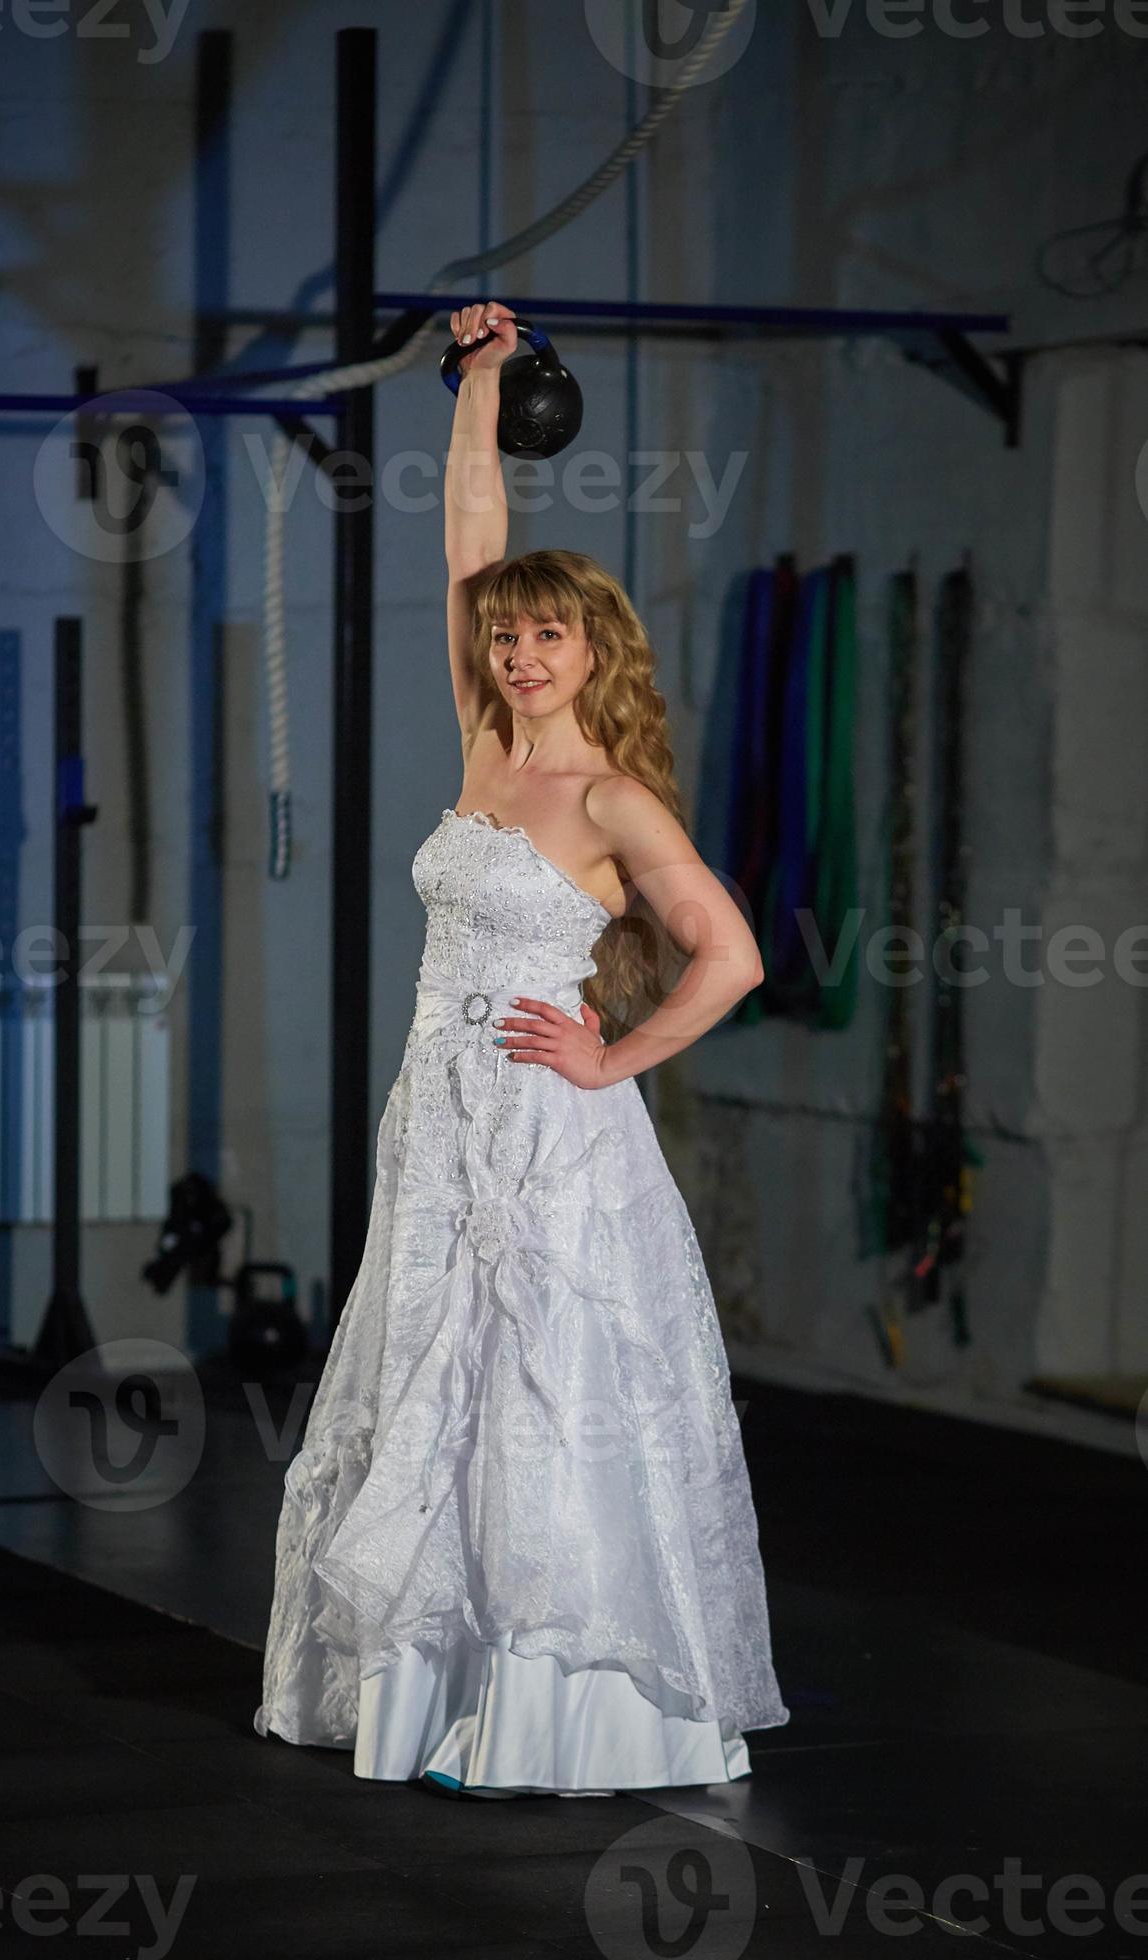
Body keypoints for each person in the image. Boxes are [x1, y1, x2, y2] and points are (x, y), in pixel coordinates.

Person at [254, 300, 790, 1797]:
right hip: (439, 1118)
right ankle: (439, 1691)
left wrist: (616, 1062)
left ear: (594, 648)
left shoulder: (613, 800)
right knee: (445, 1383)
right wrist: (479, 386)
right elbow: (465, 544)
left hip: (552, 1132)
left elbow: (732, 955)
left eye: (548, 631)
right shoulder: (488, 754)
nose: (518, 646)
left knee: (545, 1386)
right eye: (509, 632)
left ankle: (566, 1704)